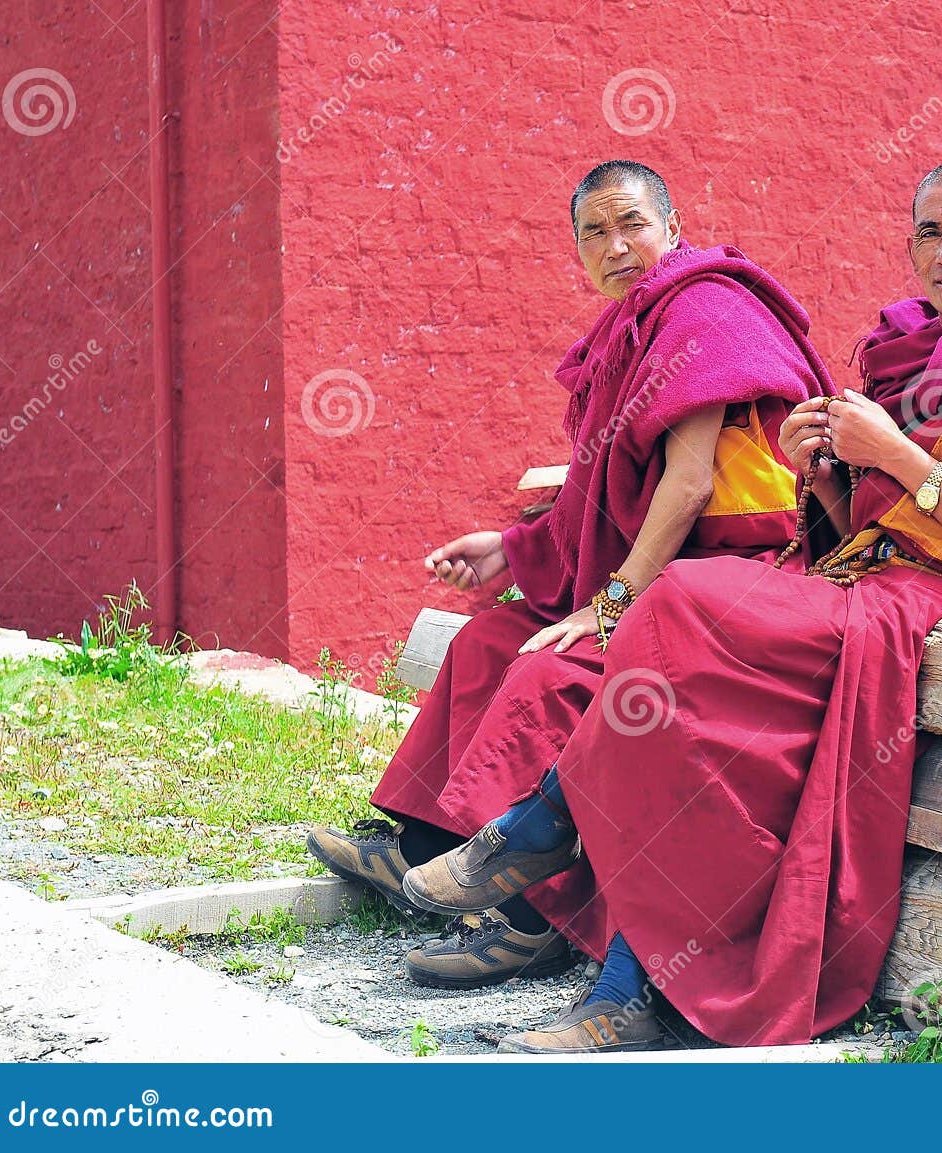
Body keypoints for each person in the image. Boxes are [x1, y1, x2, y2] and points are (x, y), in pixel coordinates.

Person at [402, 157, 942, 1053]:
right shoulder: (909, 349)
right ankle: (631, 982)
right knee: (681, 703)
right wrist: (832, 475)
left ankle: (543, 827)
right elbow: (873, 525)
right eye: (930, 232)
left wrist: (898, 453)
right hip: (863, 579)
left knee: (683, 602)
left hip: (935, 605)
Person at [307, 160, 835, 990]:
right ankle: (424, 845)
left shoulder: (705, 308)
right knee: (492, 637)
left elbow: (691, 482)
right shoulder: (634, 324)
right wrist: (511, 550)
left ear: (673, 224)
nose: (616, 246)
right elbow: (611, 487)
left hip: (735, 579)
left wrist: (611, 605)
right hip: (672, 565)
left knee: (553, 667)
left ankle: (530, 920)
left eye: (632, 223)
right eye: (594, 232)